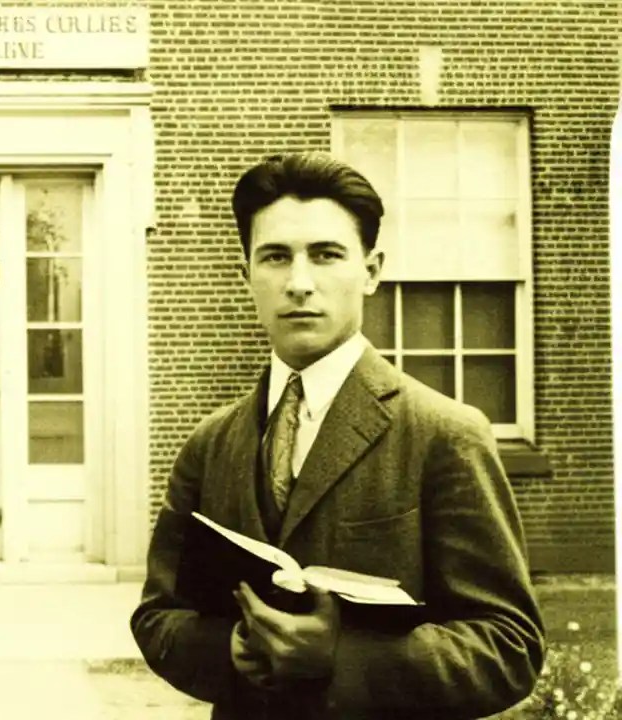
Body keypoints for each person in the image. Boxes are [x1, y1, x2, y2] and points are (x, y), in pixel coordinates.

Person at [130, 152, 544, 719]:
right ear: (245, 272)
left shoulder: (444, 434)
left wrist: (339, 658)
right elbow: (158, 616)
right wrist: (227, 649)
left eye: (326, 255)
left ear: (371, 270)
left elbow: (509, 646)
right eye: (276, 256)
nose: (299, 283)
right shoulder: (211, 442)